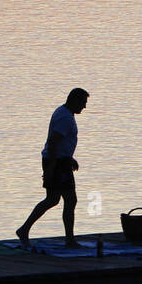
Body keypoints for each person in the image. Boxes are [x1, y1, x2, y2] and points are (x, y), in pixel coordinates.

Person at [16, 88, 89, 248]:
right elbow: (54, 142)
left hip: (60, 161)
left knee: (52, 199)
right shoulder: (65, 118)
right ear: (75, 101)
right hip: (57, 163)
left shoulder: (64, 112)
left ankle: (24, 229)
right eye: (83, 103)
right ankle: (69, 240)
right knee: (70, 199)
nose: (84, 107)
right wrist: (51, 168)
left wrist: (69, 158)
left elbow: (59, 143)